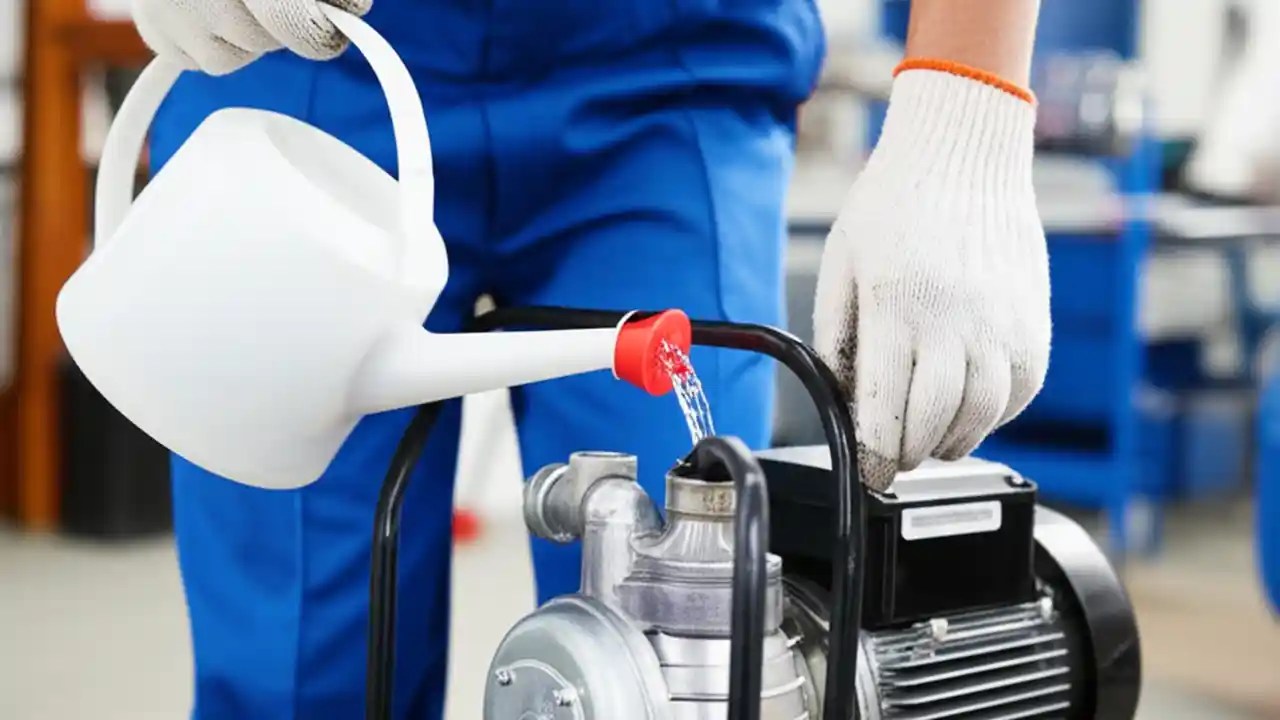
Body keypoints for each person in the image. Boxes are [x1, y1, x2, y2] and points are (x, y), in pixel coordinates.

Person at [131, 0, 1050, 716]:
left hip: (665, 72)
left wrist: (965, 99)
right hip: (310, 52)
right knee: (296, 670)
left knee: (680, 649)